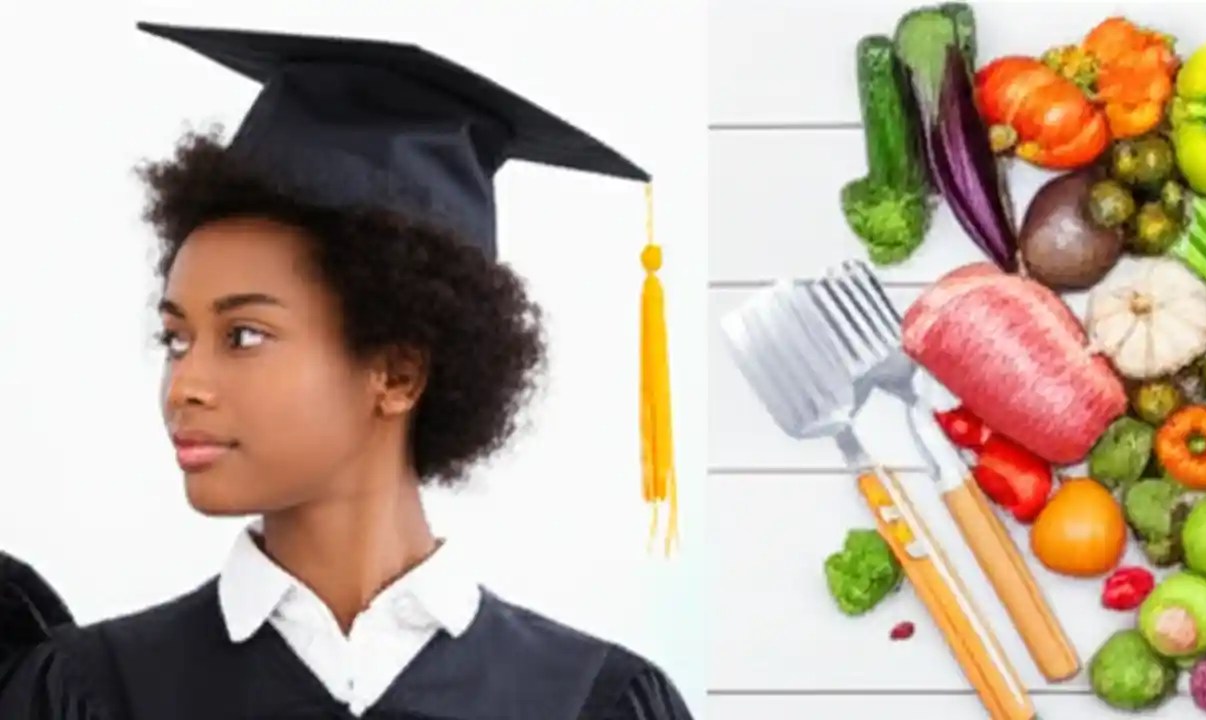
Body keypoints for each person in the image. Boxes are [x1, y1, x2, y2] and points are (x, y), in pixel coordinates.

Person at [0, 20, 693, 720]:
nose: (184, 386)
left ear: (396, 373)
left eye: (243, 335)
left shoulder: (588, 703)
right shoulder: (90, 691)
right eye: (177, 339)